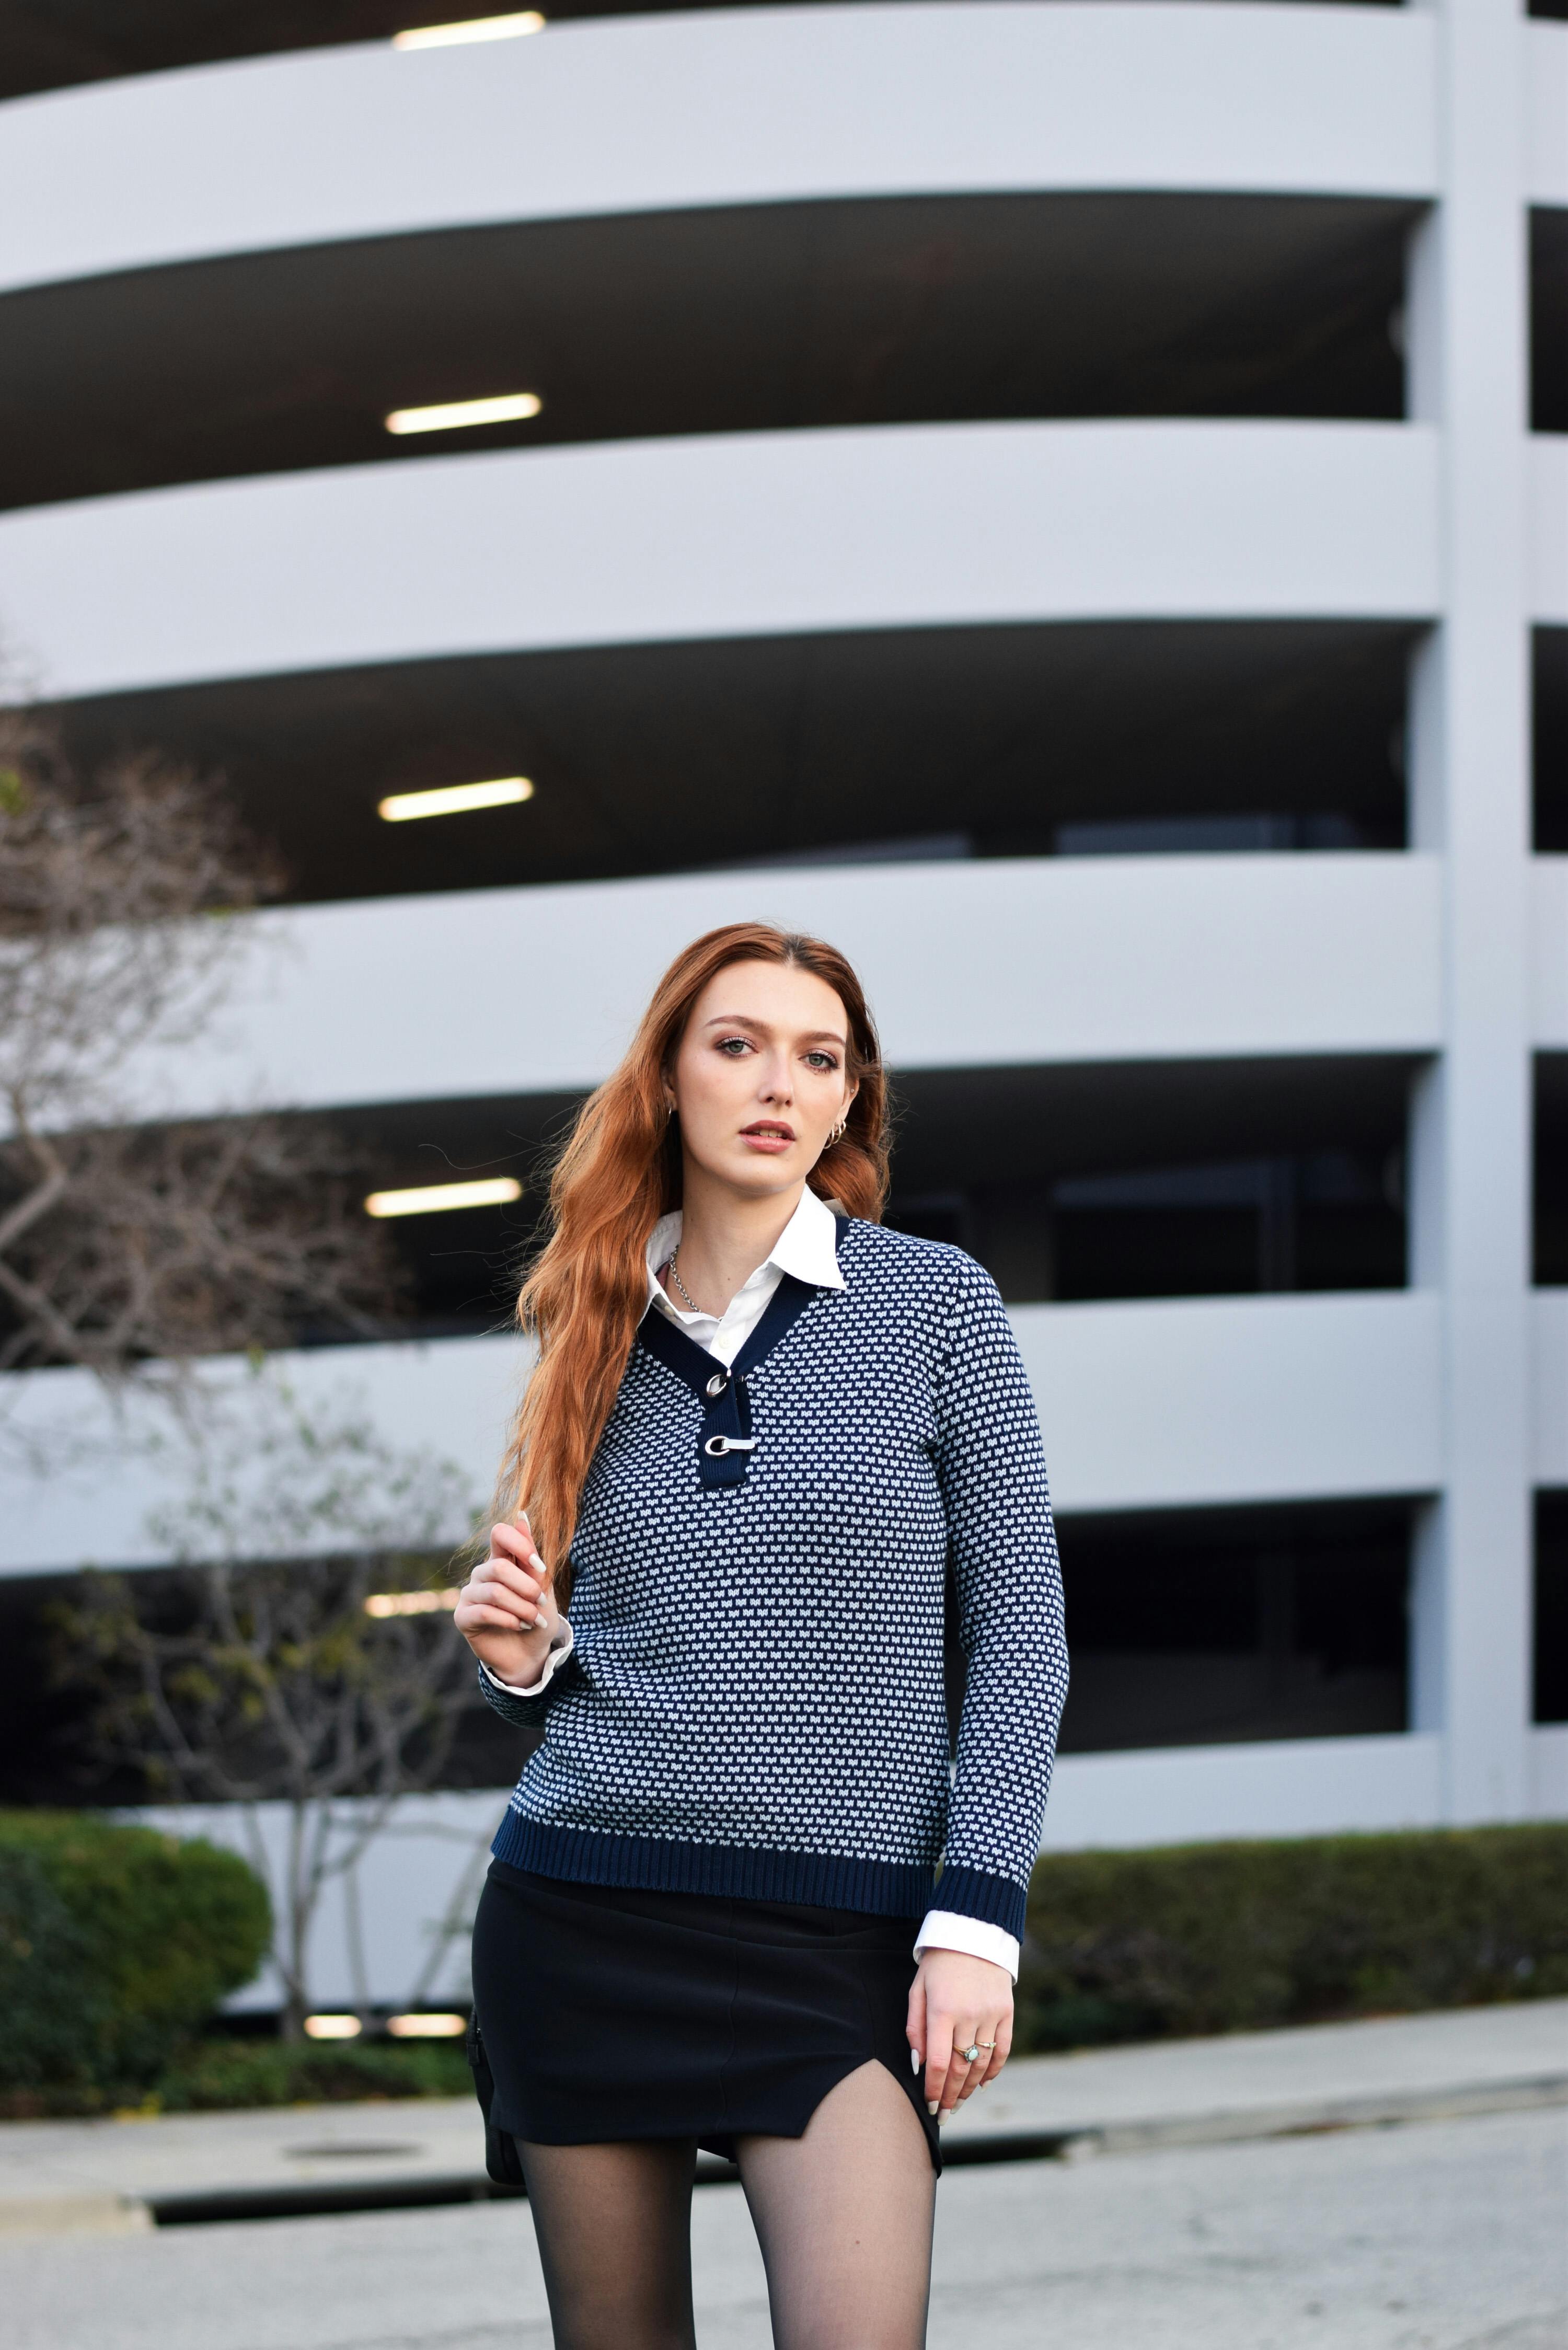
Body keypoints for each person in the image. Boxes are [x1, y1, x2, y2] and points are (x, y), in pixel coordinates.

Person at [455, 921, 1067, 2350]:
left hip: (844, 1945)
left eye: (819, 1057)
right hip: (585, 1917)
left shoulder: (937, 1308)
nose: (778, 1082)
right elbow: (593, 1661)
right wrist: (522, 1665)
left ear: (850, 1100)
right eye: (736, 1046)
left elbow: (1022, 1629)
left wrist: (976, 1923)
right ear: (669, 1079)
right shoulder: (588, 1332)